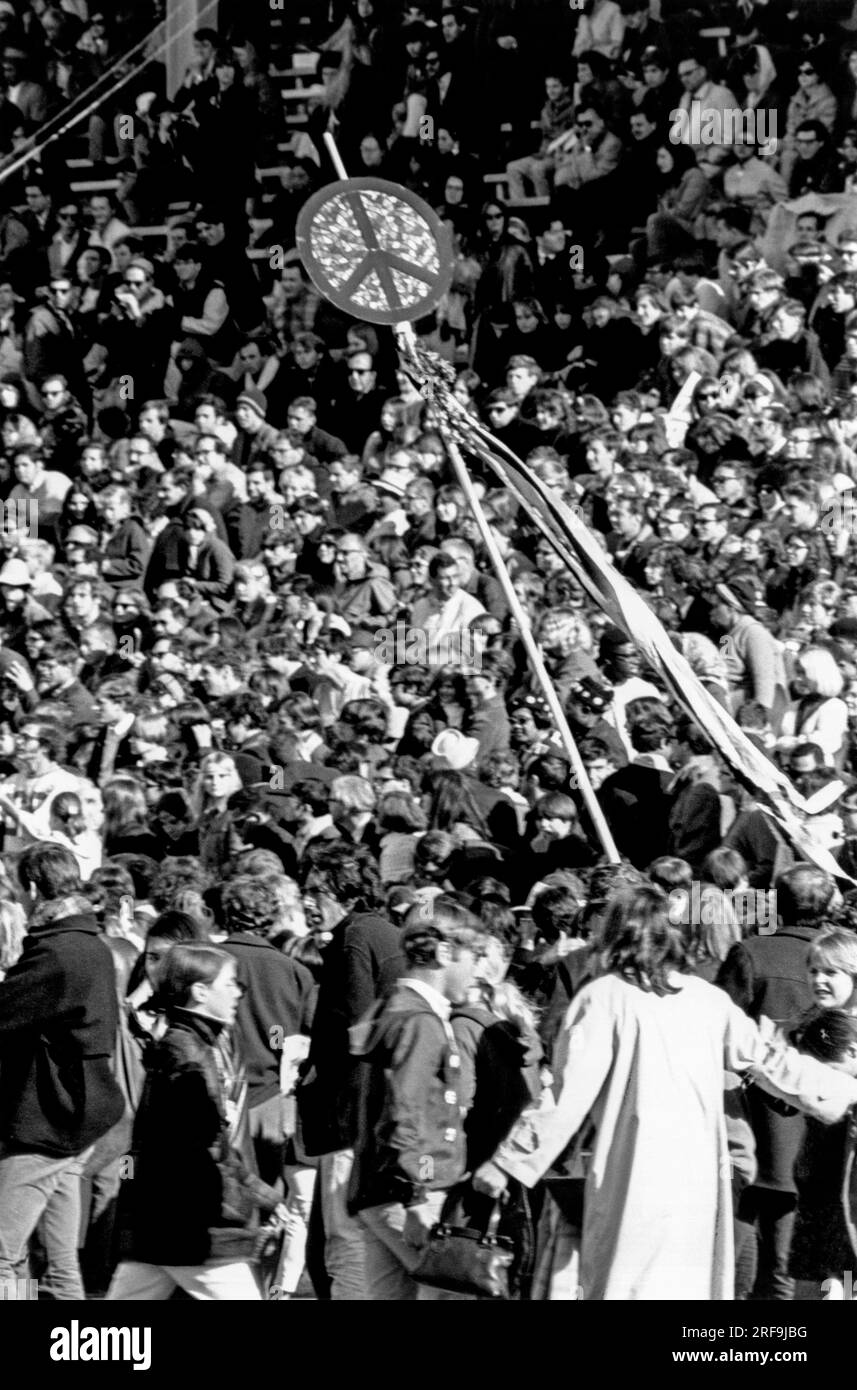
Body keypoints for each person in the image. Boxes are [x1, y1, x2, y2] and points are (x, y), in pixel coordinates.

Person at [473, 884, 857, 1300]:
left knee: (628, 1285)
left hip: (632, 1176)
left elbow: (565, 1097)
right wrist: (841, 1091)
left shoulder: (603, 999)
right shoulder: (707, 1001)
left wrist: (509, 1161)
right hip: (699, 1181)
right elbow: (772, 1061)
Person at [107, 943, 289, 1300]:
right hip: (193, 1227)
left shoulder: (190, 1045)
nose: (239, 992)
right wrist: (258, 1198)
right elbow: (204, 1149)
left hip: (163, 1222)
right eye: (231, 983)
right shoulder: (189, 1054)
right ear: (200, 992)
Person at [0, 844, 124, 1300]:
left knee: (3, 1252)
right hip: (78, 1117)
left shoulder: (57, 952)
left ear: (33, 889)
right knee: (59, 1261)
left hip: (48, 1120)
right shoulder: (90, 942)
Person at [348, 897, 486, 1299]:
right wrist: (416, 1198)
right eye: (474, 956)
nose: (477, 970)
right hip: (411, 1192)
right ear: (444, 952)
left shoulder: (392, 1007)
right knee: (449, 1294)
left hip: (378, 1188)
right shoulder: (420, 1021)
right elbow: (403, 1112)